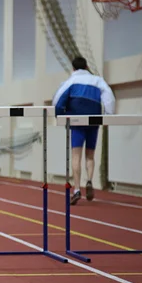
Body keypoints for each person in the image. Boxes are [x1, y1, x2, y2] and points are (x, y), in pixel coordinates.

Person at [52, 56, 115, 205]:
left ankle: (77, 190)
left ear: (73, 69)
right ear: (86, 67)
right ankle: (89, 181)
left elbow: (57, 101)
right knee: (90, 156)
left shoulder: (70, 81)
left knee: (76, 156)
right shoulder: (98, 80)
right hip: (94, 120)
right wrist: (108, 116)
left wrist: (60, 115)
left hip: (77, 120)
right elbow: (109, 97)